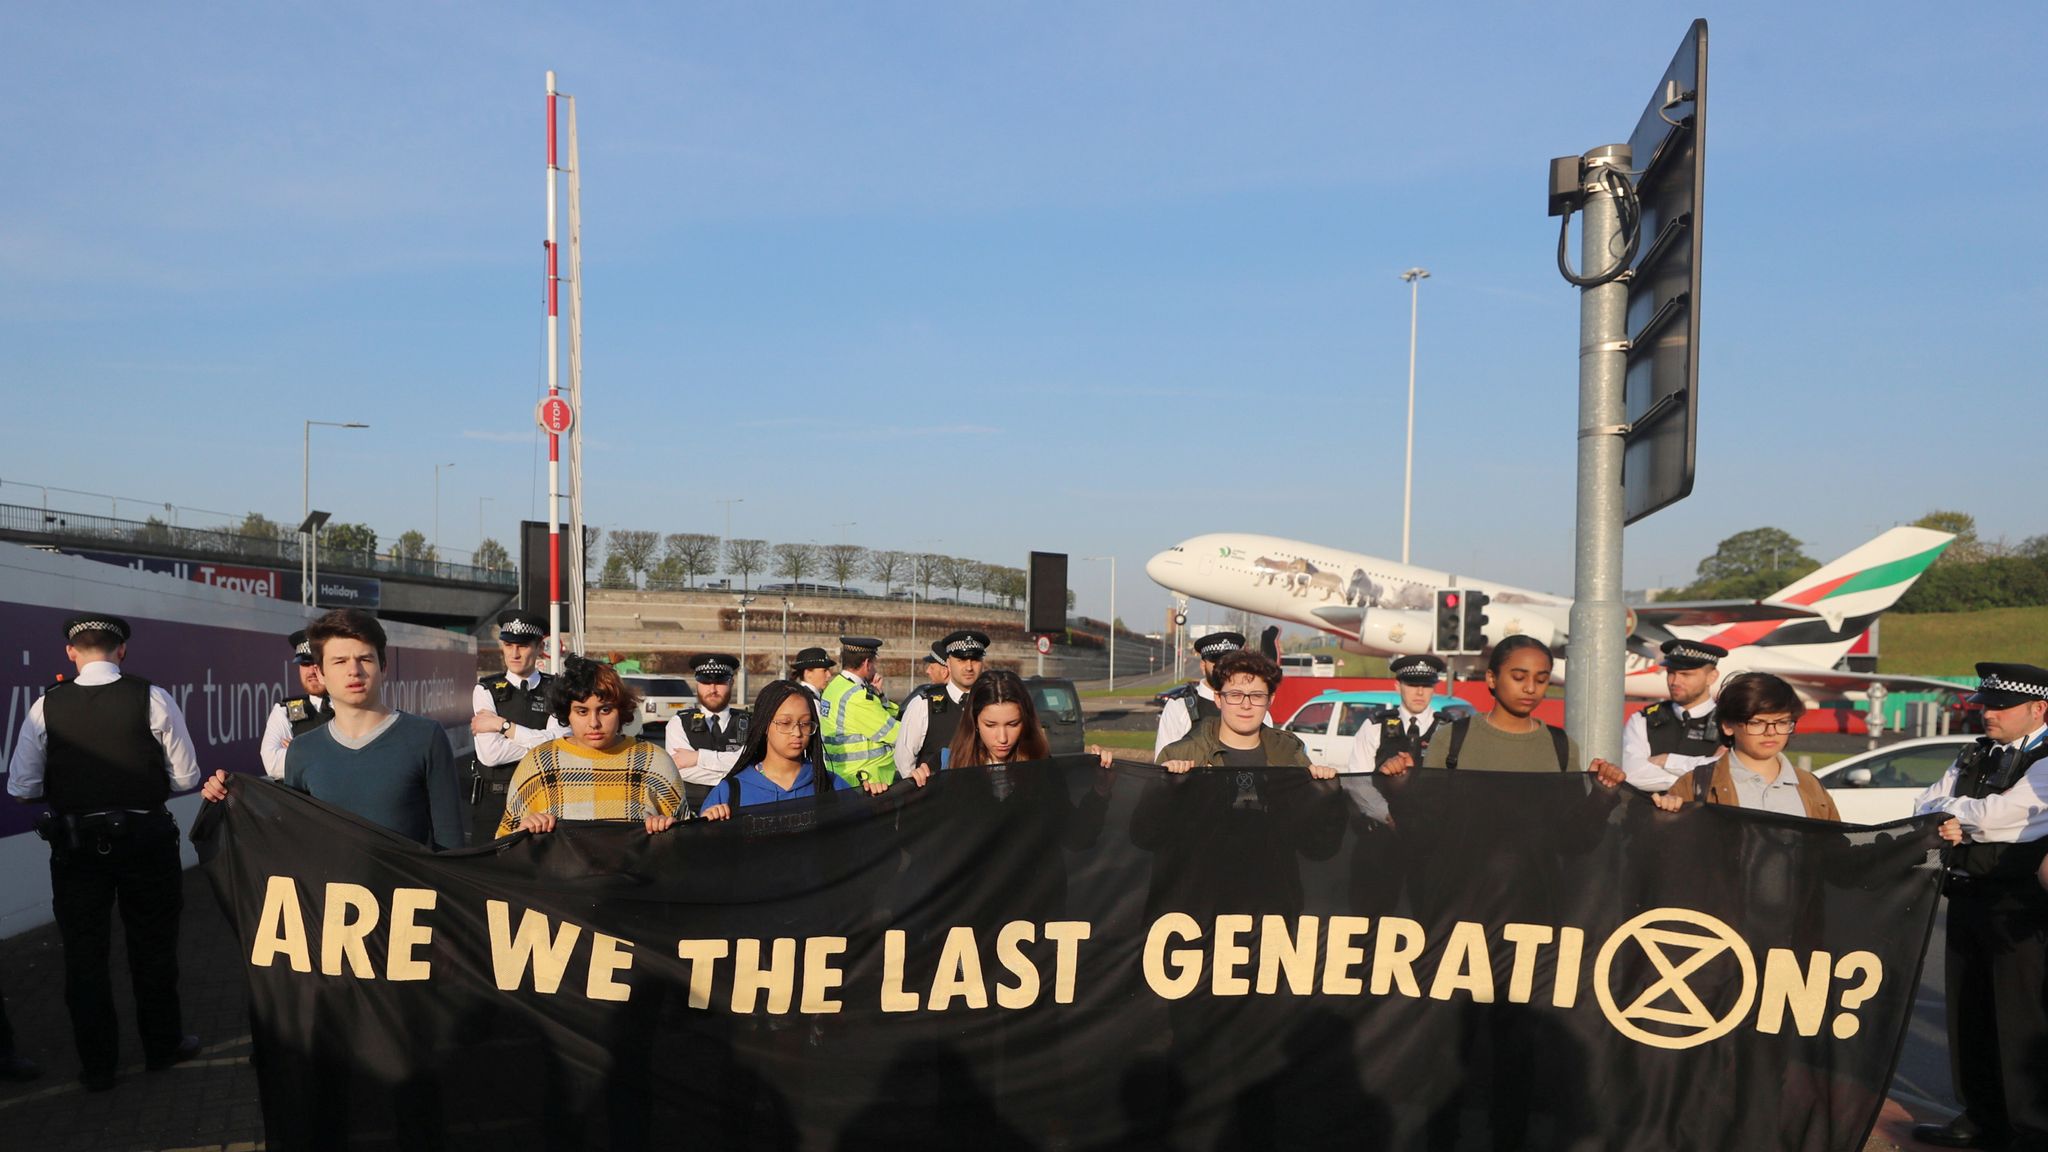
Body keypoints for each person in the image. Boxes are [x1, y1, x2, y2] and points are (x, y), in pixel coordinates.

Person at [7, 614, 202, 1091]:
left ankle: (98, 1067)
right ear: (123, 651)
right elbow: (187, 778)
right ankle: (162, 1046)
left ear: (71, 653)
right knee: (153, 948)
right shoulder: (152, 697)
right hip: (146, 840)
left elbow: (21, 786)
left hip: (76, 849)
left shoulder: (44, 707)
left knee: (84, 957)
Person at [1909, 662, 2048, 1152]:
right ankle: (1980, 1114)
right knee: (1969, 1011)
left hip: (2019, 902)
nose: (1988, 713)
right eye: (1985, 704)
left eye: (2001, 706)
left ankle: (2030, 1126)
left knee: (2020, 1017)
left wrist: (1955, 816)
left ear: (2039, 708)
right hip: (1966, 891)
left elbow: (2004, 818)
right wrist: (1955, 816)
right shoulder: (1976, 754)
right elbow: (1923, 804)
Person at [201, 609, 465, 850]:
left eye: (365, 658)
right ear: (321, 672)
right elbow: (291, 839)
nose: (354, 671)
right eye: (339, 661)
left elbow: (450, 844)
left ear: (383, 667)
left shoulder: (425, 738)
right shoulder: (302, 750)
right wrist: (230, 797)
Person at [498, 657, 687, 836]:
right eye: (582, 711)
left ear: (621, 710)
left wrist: (668, 832)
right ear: (566, 713)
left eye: (605, 710)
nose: (594, 723)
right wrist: (523, 832)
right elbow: (503, 843)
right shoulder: (538, 763)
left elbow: (688, 839)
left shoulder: (655, 762)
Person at [1387, 636, 1602, 776]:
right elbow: (1426, 819)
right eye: (1518, 677)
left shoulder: (1562, 746)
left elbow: (1575, 831)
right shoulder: (1451, 739)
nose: (1530, 688)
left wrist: (1601, 794)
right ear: (1491, 678)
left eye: (1541, 679)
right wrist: (1403, 784)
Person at [1649, 673, 1839, 819]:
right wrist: (1666, 817)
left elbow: (1835, 851)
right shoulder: (1695, 785)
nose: (1771, 732)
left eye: (1782, 722)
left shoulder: (1810, 786)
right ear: (1727, 725)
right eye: (1757, 723)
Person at [699, 680, 883, 819]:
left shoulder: (831, 786)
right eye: (785, 723)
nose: (797, 732)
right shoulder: (731, 792)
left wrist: (878, 803)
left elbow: (866, 839)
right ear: (764, 726)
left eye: (805, 723)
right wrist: (709, 827)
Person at [466, 609, 566, 847]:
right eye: (509, 645)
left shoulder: (556, 688)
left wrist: (504, 726)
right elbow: (491, 755)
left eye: (522, 646)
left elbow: (558, 748)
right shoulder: (485, 689)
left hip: (544, 799)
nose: (515, 653)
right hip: (495, 801)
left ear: (539, 646)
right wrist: (542, 741)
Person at [1159, 649, 1332, 779]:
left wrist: (1323, 789)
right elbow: (1147, 819)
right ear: (1218, 699)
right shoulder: (1180, 755)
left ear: (1269, 700)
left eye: (1256, 696)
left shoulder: (1290, 753)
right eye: (1236, 695)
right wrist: (1168, 785)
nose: (1246, 705)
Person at [1619, 640, 1727, 792]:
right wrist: (1699, 777)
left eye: (1686, 674)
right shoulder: (1644, 719)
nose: (1675, 681)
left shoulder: (1730, 723)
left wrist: (1668, 761)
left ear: (1712, 677)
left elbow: (1730, 772)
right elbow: (1631, 773)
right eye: (1671, 673)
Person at [896, 630, 989, 782]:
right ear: (948, 663)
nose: (969, 667)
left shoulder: (991, 702)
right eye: (961, 660)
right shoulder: (924, 704)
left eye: (975, 659)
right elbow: (904, 761)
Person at [821, 636, 912, 789]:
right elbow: (897, 735)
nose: (875, 668)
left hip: (841, 775)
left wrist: (879, 695)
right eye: (874, 663)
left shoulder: (834, 687)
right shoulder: (858, 697)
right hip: (865, 781)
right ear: (867, 663)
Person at [664, 652, 751, 809]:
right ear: (697, 683)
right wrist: (737, 771)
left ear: (731, 682)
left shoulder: (751, 723)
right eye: (705, 681)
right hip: (693, 810)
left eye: (720, 681)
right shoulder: (678, 723)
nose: (712, 689)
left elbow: (752, 764)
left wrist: (698, 757)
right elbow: (680, 771)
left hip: (740, 807)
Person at [1345, 654, 1450, 774]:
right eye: (1413, 685)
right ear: (1398, 687)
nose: (1420, 692)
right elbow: (1360, 783)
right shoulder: (1375, 727)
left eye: (1427, 685)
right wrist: (1383, 775)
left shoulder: (1450, 730)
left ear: (1434, 689)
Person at [1154, 631, 1245, 758]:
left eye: (1232, 663)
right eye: (1218, 663)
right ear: (1203, 666)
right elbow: (1163, 763)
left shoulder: (1254, 708)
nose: (1225, 669)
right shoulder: (1179, 707)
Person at [259, 630, 330, 780]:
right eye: (305, 663)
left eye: (317, 662)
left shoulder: (353, 707)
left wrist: (298, 750)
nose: (311, 671)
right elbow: (272, 764)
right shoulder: (285, 710)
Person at [790, 647, 837, 719]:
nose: (829, 675)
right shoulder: (811, 702)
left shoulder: (800, 694)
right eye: (824, 670)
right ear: (808, 673)